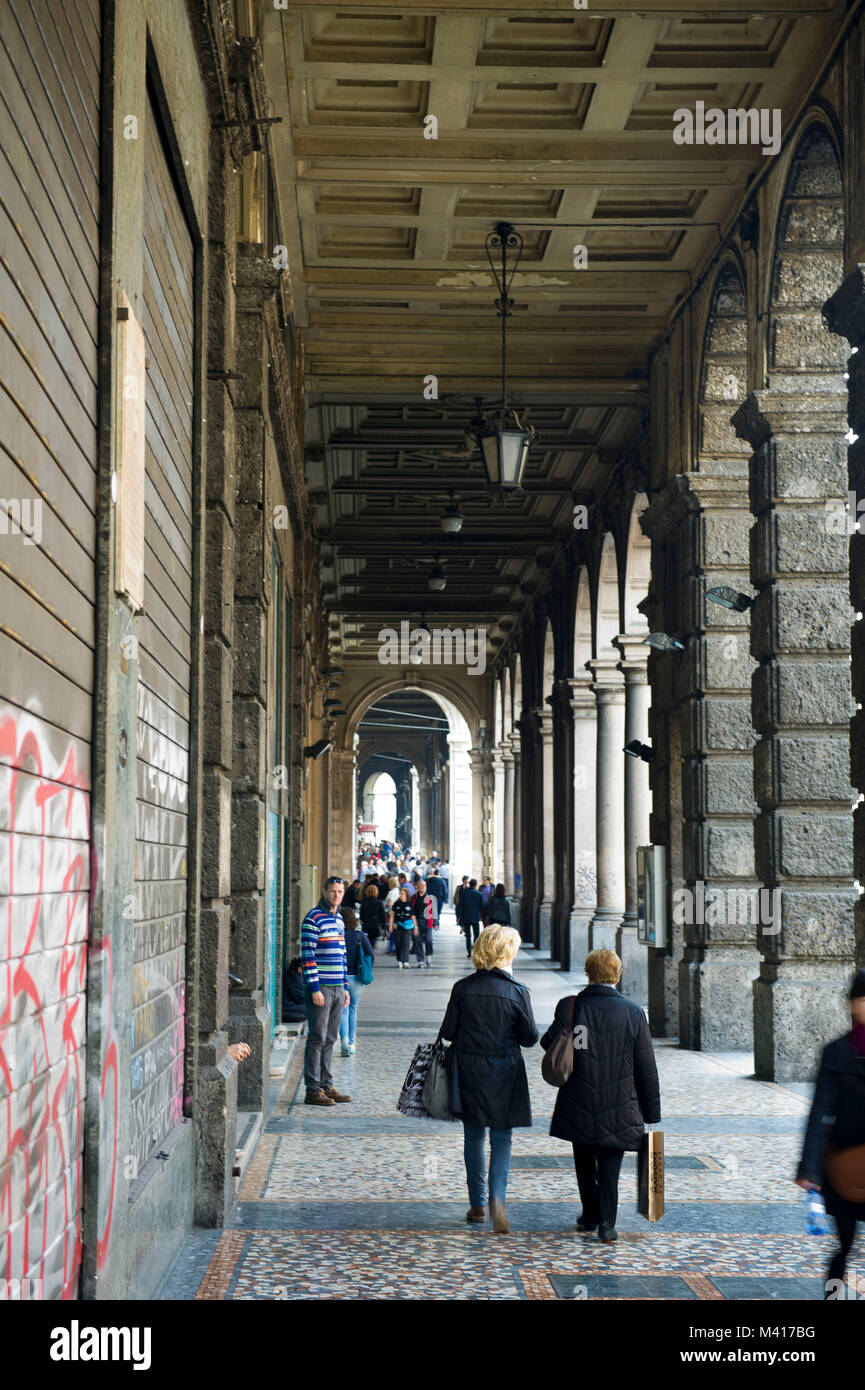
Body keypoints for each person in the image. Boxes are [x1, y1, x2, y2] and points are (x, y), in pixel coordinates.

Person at [541, 948, 661, 1243]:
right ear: (617, 975)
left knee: (583, 1160)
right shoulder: (633, 1013)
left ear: (588, 973)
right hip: (619, 1103)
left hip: (578, 1098)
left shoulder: (570, 1007)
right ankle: (608, 1223)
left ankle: (590, 1214)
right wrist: (651, 1112)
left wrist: (577, 1038)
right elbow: (646, 1067)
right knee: (610, 1163)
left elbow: (548, 1042)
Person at [441, 925, 538, 1233]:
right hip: (505, 1071)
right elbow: (530, 1038)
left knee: (474, 1136)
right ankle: (497, 1199)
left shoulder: (462, 988)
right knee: (501, 1138)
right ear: (507, 953)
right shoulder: (518, 991)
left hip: (469, 1069)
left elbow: (448, 1032)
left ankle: (477, 1204)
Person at [796, 969, 865, 1296]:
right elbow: (819, 1111)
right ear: (852, 1004)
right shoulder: (836, 1052)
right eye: (863, 1000)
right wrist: (809, 1169)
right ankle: (833, 1294)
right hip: (843, 1167)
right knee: (845, 1246)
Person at [300, 876, 352, 1106]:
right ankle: (312, 1089)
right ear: (324, 891)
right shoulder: (313, 918)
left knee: (331, 1037)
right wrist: (314, 987)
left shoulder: (339, 919)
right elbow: (308, 955)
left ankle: (326, 1084)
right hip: (321, 988)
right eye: (333, 891)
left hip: (338, 988)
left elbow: (342, 955)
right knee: (317, 1037)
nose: (336, 895)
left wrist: (345, 987)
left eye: (340, 892)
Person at [339, 905, 374, 1056]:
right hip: (358, 979)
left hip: (341, 978)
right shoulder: (360, 936)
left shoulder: (337, 935)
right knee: (353, 1009)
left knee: (343, 1011)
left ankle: (344, 1042)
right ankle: (352, 1043)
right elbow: (371, 954)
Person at [411, 877, 439, 968]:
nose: (421, 887)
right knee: (417, 941)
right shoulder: (413, 898)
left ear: (426, 887)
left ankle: (428, 956)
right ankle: (420, 961)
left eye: (423, 885)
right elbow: (411, 911)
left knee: (429, 940)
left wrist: (436, 923)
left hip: (428, 922)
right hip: (417, 922)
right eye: (419, 885)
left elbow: (435, 911)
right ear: (417, 887)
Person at [389, 886, 415, 968]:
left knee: (406, 944)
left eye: (402, 894)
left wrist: (416, 927)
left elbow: (413, 916)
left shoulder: (410, 904)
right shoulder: (396, 904)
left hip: (407, 927)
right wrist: (390, 926)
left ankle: (406, 961)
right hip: (398, 926)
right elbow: (392, 915)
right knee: (398, 944)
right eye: (400, 894)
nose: (401, 895)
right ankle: (399, 960)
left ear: (406, 895)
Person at [459, 878, 484, 959]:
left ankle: (469, 952)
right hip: (475, 917)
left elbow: (460, 905)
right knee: (476, 934)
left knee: (468, 936)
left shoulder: (464, 893)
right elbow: (482, 906)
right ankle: (475, 951)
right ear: (476, 885)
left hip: (466, 917)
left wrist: (459, 916)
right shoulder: (479, 894)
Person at [359, 882, 386, 947]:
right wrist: (383, 925)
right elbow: (382, 915)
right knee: (372, 941)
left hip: (366, 925)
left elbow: (361, 915)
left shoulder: (364, 903)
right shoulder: (379, 902)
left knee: (367, 943)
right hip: (375, 925)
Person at [281, 957, 306, 1023]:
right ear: (300, 969)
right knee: (314, 1008)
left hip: (290, 1006)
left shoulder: (294, 975)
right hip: (286, 1008)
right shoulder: (294, 977)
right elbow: (301, 998)